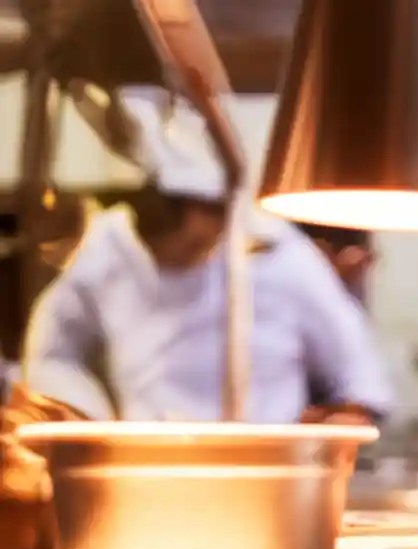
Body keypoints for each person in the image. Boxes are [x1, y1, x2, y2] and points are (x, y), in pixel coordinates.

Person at [23, 85, 392, 424]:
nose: (164, 243)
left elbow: (356, 373)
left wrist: (341, 424)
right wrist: (84, 416)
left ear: (218, 209)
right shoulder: (110, 246)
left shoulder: (276, 251)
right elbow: (52, 354)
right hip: (149, 465)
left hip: (260, 468)